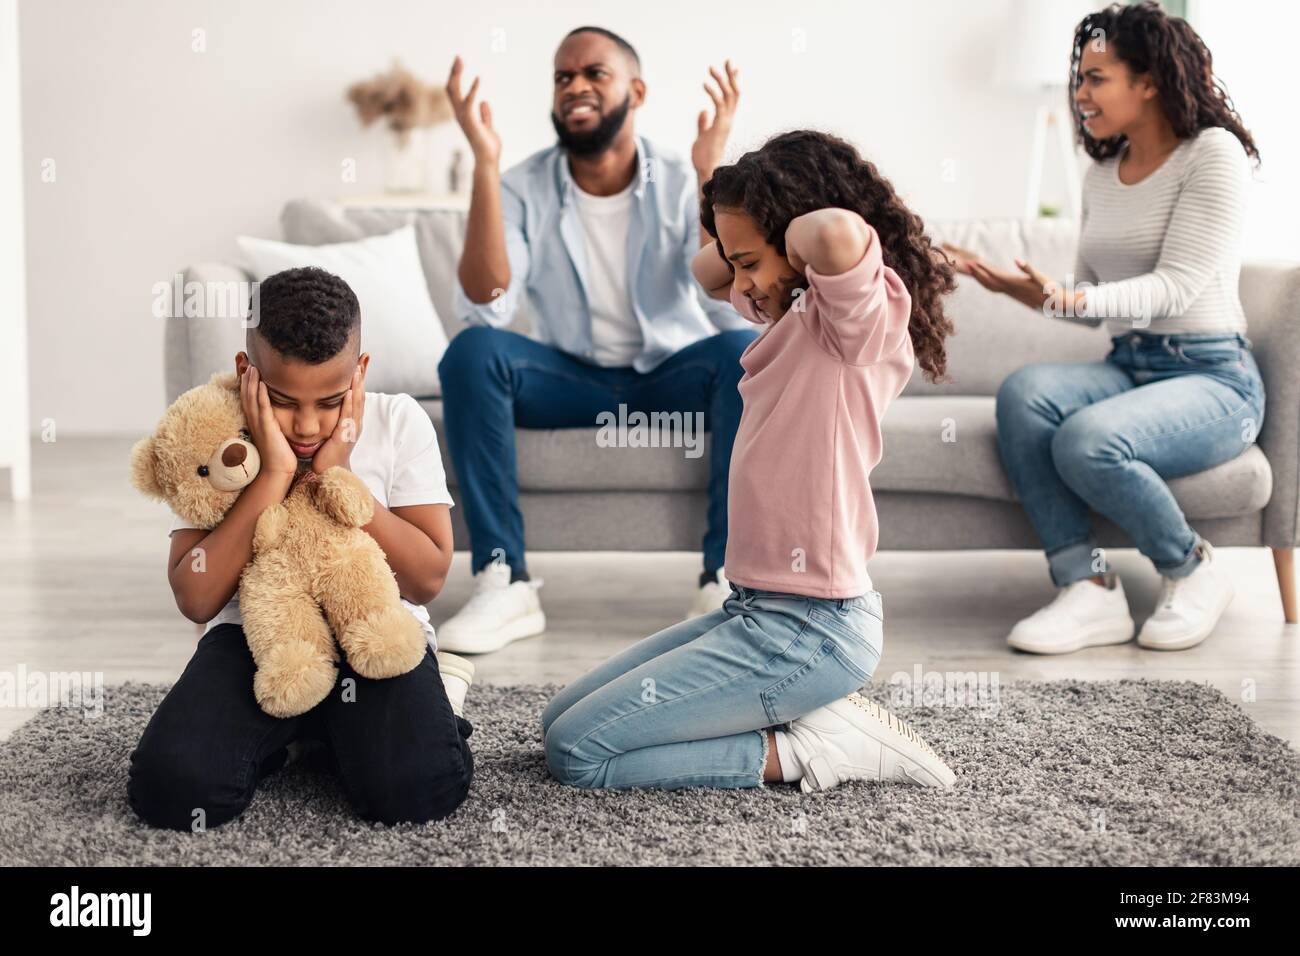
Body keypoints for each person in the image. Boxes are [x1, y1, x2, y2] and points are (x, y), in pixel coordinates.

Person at [540, 131, 959, 793]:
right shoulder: (791, 311)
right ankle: (798, 715)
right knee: (558, 720)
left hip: (812, 628)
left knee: (578, 754)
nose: (739, 286)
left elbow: (834, 230)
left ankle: (812, 752)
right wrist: (732, 209)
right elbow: (706, 269)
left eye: (749, 262)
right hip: (757, 610)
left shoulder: (855, 322)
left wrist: (774, 208)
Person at [944, 1, 1262, 654]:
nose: (1078, 93)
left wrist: (1064, 297)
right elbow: (1098, 296)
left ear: (1148, 80)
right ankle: (1087, 588)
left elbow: (1175, 287)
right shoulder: (1101, 173)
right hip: (1132, 364)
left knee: (1088, 439)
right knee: (1024, 392)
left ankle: (1191, 567)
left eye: (1095, 78)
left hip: (1213, 376)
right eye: (1077, 77)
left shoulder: (1213, 154)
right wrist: (1020, 291)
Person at [436, 26, 757, 654]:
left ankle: (724, 580)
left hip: (672, 378)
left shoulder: (681, 176)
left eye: (594, 74)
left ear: (635, 91)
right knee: (472, 354)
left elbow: (730, 310)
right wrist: (485, 164)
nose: (575, 87)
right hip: (572, 382)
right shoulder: (522, 185)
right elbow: (488, 308)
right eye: (563, 77)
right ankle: (505, 581)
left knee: (740, 354)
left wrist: (710, 178)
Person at [128, 267, 473, 830]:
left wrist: (339, 474)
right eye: (285, 401)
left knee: (415, 791)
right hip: (259, 637)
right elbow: (195, 597)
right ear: (247, 371)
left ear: (361, 372)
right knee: (171, 789)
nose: (308, 426)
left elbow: (427, 578)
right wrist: (272, 478)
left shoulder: (399, 421)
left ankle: (420, 703)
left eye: (332, 401)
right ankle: (308, 736)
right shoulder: (213, 430)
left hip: (373, 628)